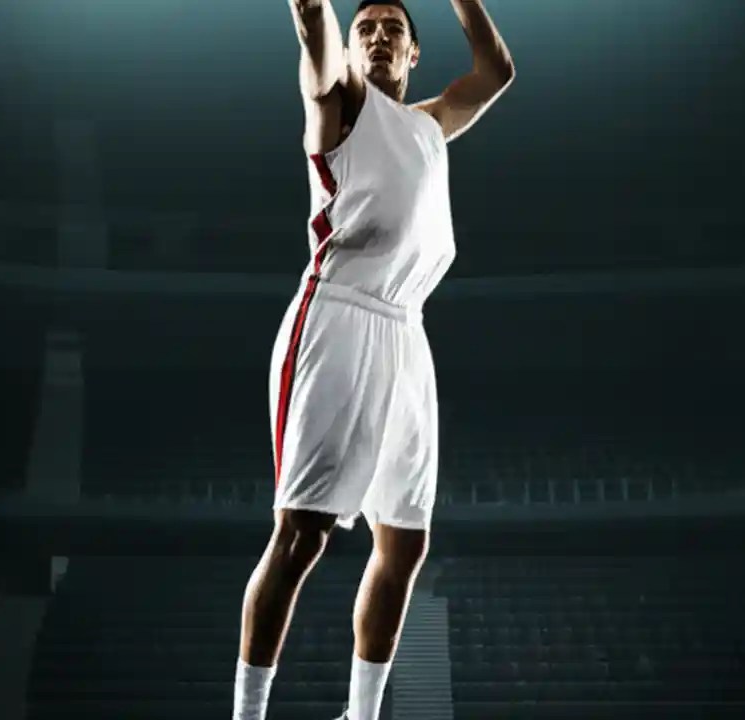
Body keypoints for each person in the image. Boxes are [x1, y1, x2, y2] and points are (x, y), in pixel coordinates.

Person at [232, 1, 514, 719]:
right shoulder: (339, 102)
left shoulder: (429, 123)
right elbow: (312, 30)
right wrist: (315, 15)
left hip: (406, 331)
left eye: (394, 29)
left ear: (414, 54)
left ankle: (360, 717)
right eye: (367, 29)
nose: (380, 36)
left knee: (406, 544)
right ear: (353, 52)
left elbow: (496, 71)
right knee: (302, 536)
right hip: (338, 316)